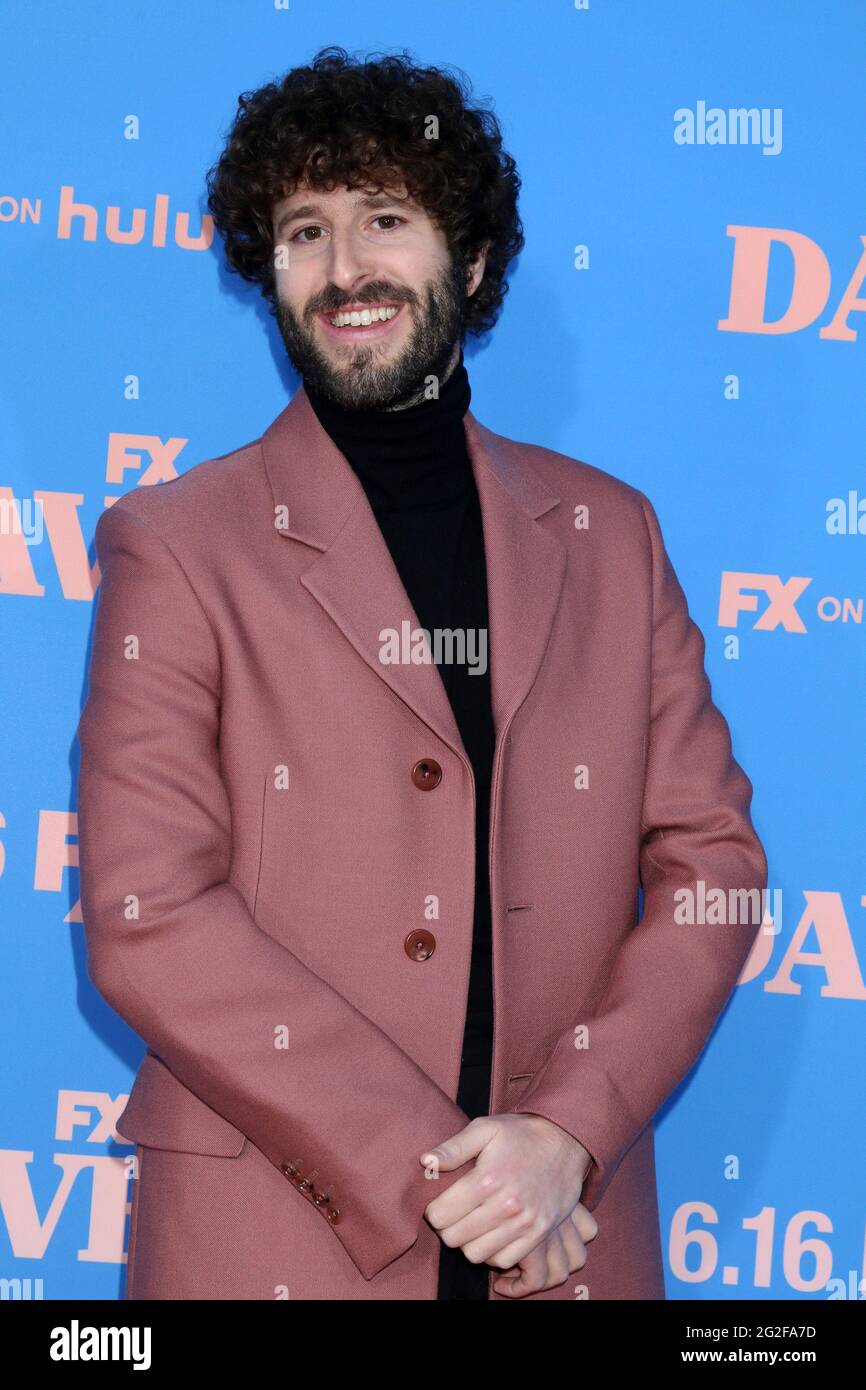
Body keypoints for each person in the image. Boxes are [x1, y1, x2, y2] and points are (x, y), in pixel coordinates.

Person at [77, 46, 767, 1301]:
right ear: (267, 271)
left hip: (565, 1234)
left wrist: (566, 1133)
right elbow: (147, 917)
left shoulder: (613, 535)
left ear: (477, 259)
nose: (344, 270)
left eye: (384, 220)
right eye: (303, 231)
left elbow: (709, 867)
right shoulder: (176, 544)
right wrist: (445, 1173)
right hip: (271, 1235)